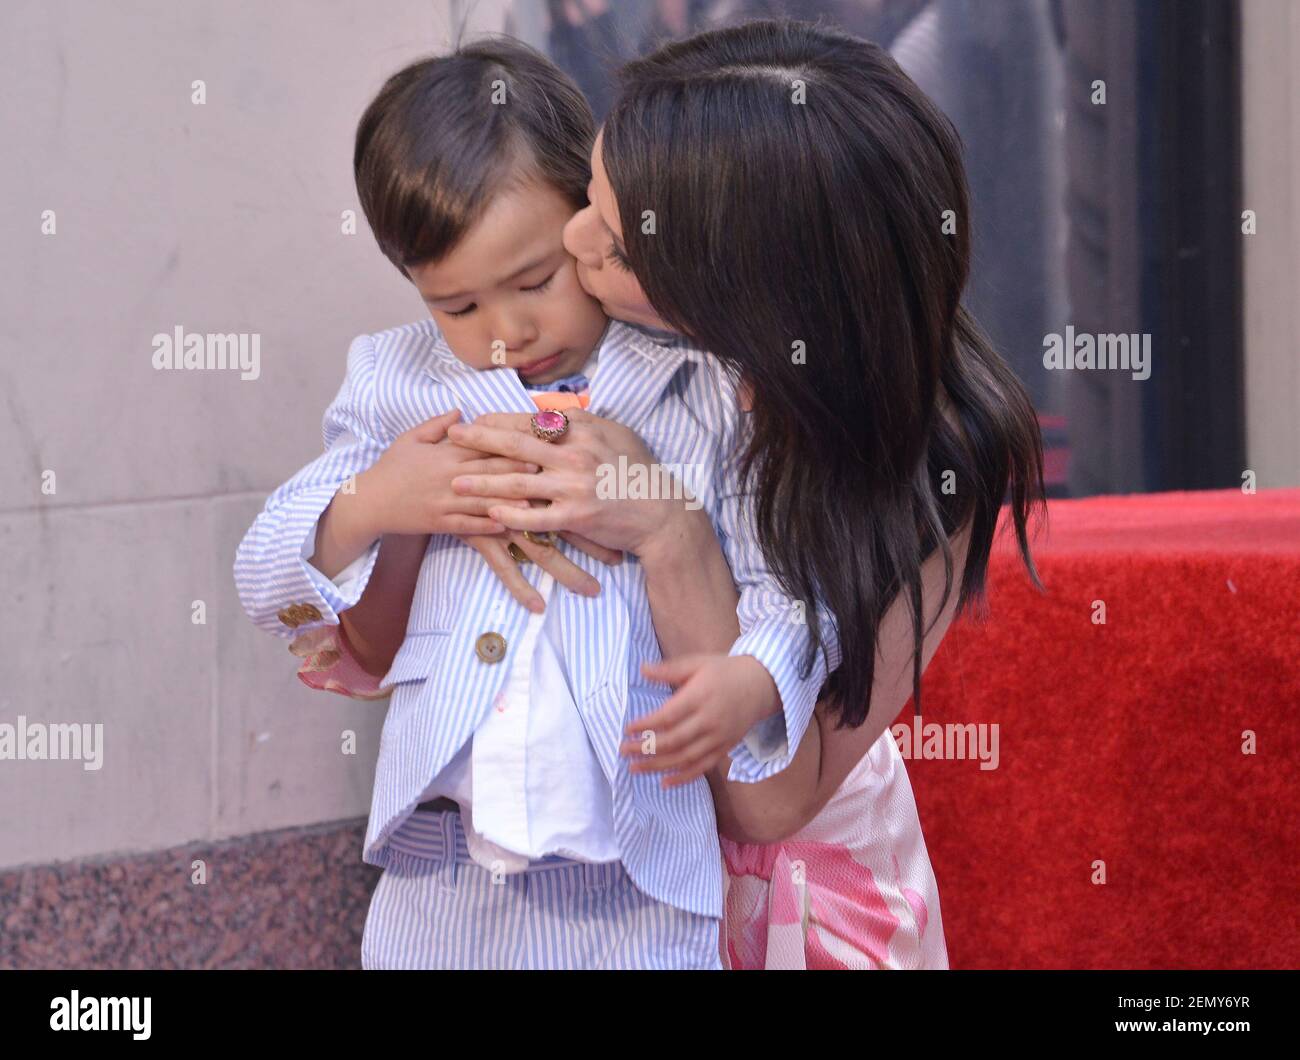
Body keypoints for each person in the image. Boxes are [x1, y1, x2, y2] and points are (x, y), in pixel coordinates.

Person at [312, 19, 1045, 968]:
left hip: (784, 906)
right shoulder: (589, 361)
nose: (573, 237)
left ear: (733, 288)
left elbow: (769, 802)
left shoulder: (930, 468)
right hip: (577, 900)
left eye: (609, 240)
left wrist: (669, 532)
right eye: (592, 195)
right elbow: (365, 611)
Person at [234, 37, 830, 970]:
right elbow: (270, 576)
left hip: (640, 872)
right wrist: (376, 499)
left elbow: (790, 583)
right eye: (457, 308)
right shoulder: (395, 381)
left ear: (591, 221)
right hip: (443, 871)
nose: (507, 334)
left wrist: (753, 678)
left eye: (534, 283)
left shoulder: (698, 389)